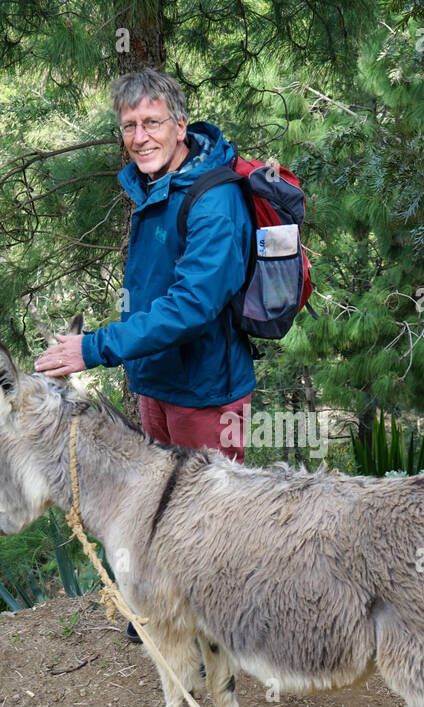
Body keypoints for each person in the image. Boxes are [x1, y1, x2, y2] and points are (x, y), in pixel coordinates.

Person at [35, 69, 254, 464]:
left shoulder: (215, 201)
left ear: (180, 126)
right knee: (165, 517)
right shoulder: (155, 186)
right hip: (157, 385)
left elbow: (191, 306)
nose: (139, 138)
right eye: (129, 126)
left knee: (209, 522)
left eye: (152, 123)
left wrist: (95, 347)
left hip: (206, 397)